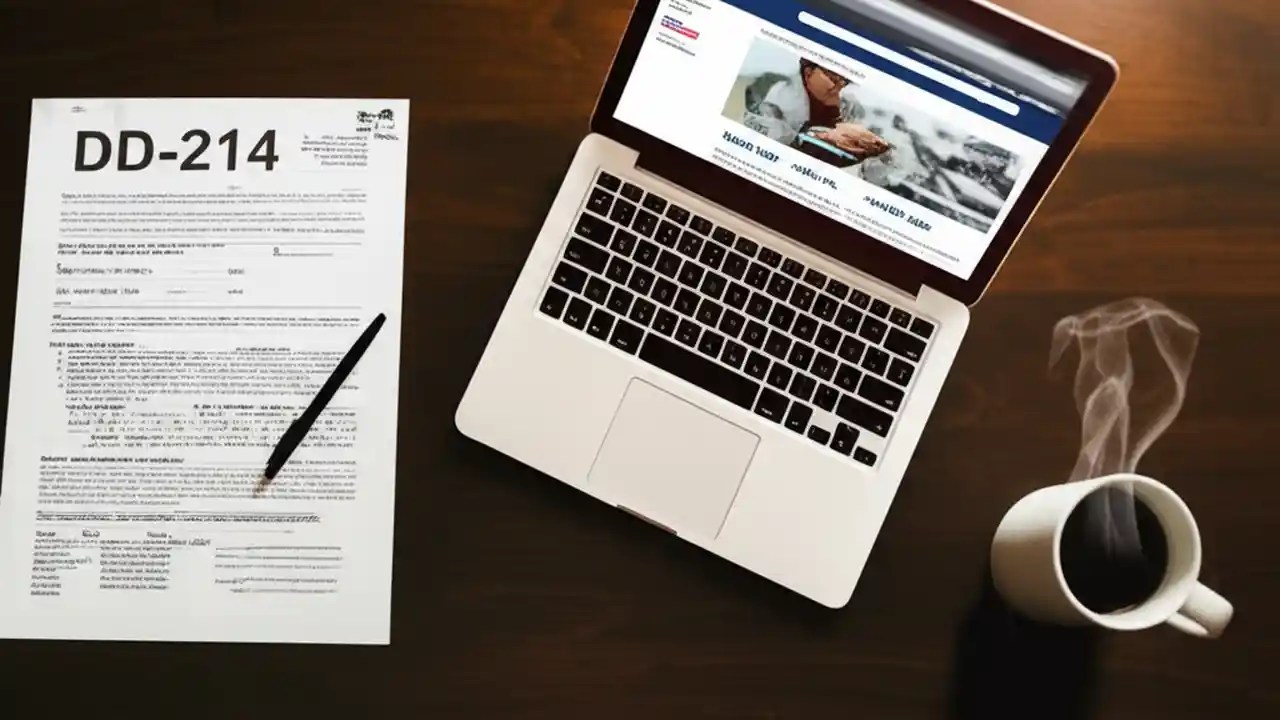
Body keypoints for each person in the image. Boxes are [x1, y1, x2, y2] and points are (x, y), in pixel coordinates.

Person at [743, 58, 890, 159]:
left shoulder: (848, 104)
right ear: (808, 73)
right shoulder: (779, 94)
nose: (837, 86)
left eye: (844, 82)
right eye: (832, 78)